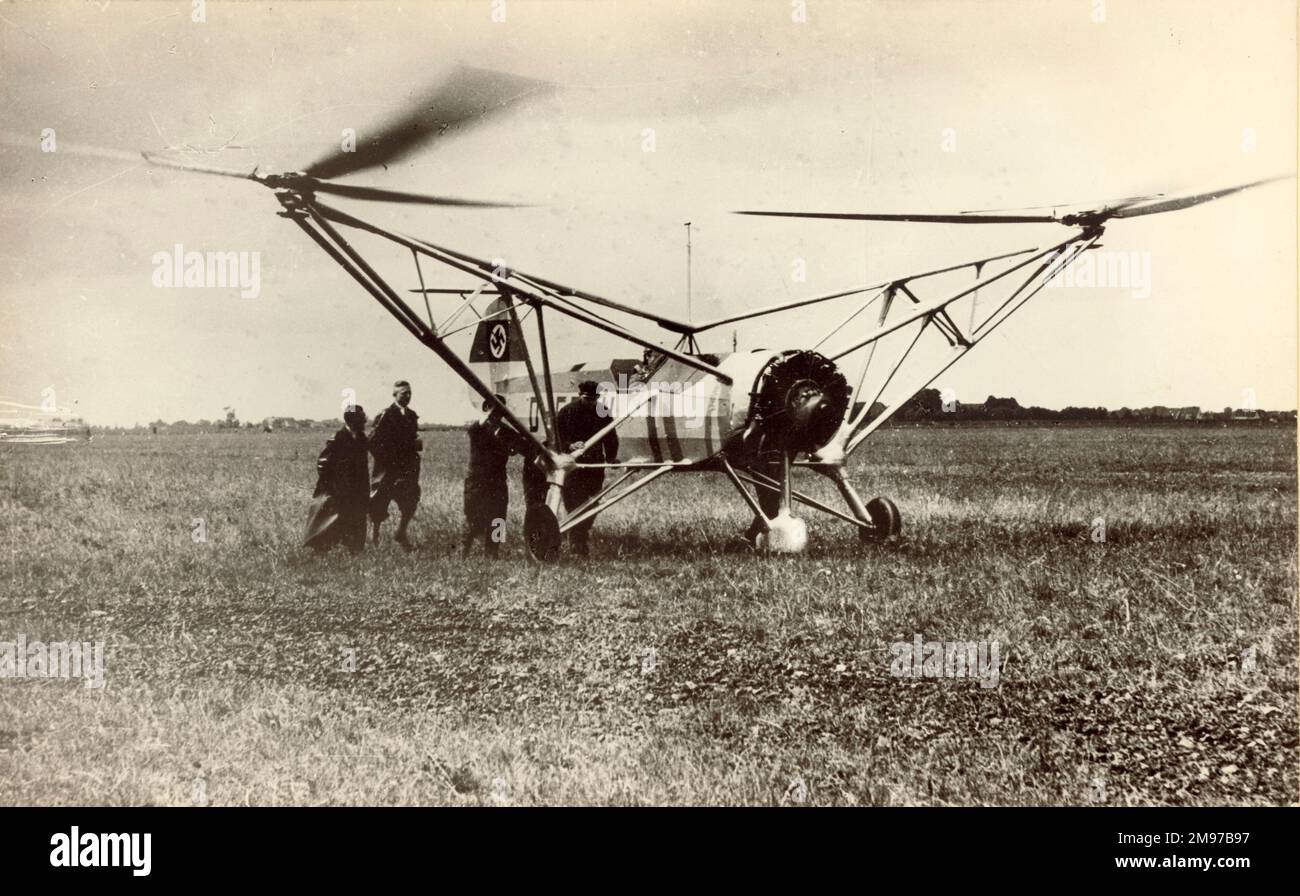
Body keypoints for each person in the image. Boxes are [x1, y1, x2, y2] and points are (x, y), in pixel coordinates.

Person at [556, 380, 619, 556]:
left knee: (592, 503)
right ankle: (577, 544)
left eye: (593, 399)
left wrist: (612, 457)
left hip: (594, 466)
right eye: (586, 399)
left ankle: (579, 535)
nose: (590, 402)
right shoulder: (566, 411)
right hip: (573, 467)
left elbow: (611, 436)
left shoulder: (603, 412)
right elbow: (557, 436)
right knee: (574, 503)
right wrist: (570, 446)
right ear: (580, 396)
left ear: (598, 397)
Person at [304, 404, 370, 554]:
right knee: (331, 520)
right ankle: (321, 550)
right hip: (338, 490)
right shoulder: (338, 438)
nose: (365, 420)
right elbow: (322, 464)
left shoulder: (361, 438)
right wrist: (331, 487)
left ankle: (355, 550)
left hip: (357, 488)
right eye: (362, 418)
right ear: (353, 420)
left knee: (358, 518)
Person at [463, 397, 521, 558]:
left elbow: (517, 444)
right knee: (473, 517)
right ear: (487, 408)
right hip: (477, 480)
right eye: (495, 410)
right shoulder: (477, 428)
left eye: (501, 411)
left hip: (497, 480)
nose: (498, 414)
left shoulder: (506, 431)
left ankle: (493, 553)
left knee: (498, 518)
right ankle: (464, 552)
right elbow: (476, 428)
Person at [369, 380, 422, 549]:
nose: (407, 396)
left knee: (411, 500)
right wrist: (387, 459)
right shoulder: (386, 415)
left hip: (406, 470)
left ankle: (401, 533)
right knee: (378, 504)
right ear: (394, 395)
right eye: (403, 393)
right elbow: (372, 441)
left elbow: (411, 440)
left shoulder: (412, 416)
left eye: (409, 393)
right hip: (387, 470)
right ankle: (374, 537)